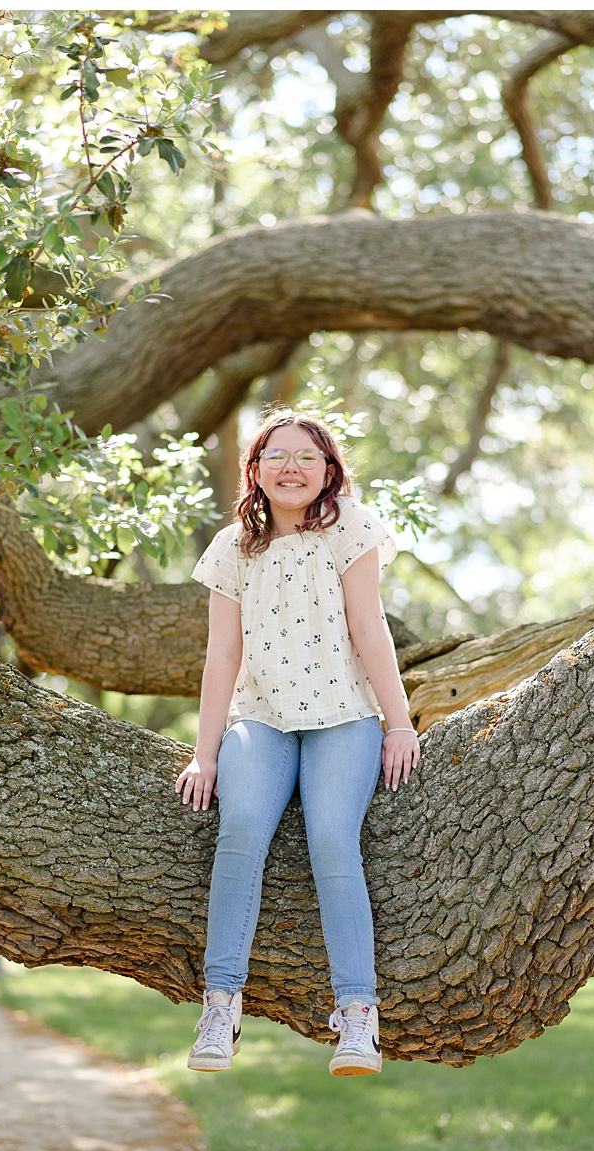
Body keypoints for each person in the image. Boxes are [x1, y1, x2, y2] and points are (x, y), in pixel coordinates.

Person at [174, 409, 421, 1078]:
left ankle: (358, 1016)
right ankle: (221, 1005)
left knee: (332, 837)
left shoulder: (351, 528)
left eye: (307, 457)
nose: (292, 467)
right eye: (277, 455)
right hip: (264, 718)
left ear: (329, 471)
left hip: (346, 716)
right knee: (242, 827)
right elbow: (221, 655)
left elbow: (371, 630)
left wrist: (398, 723)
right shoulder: (233, 547)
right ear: (254, 470)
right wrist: (205, 750)